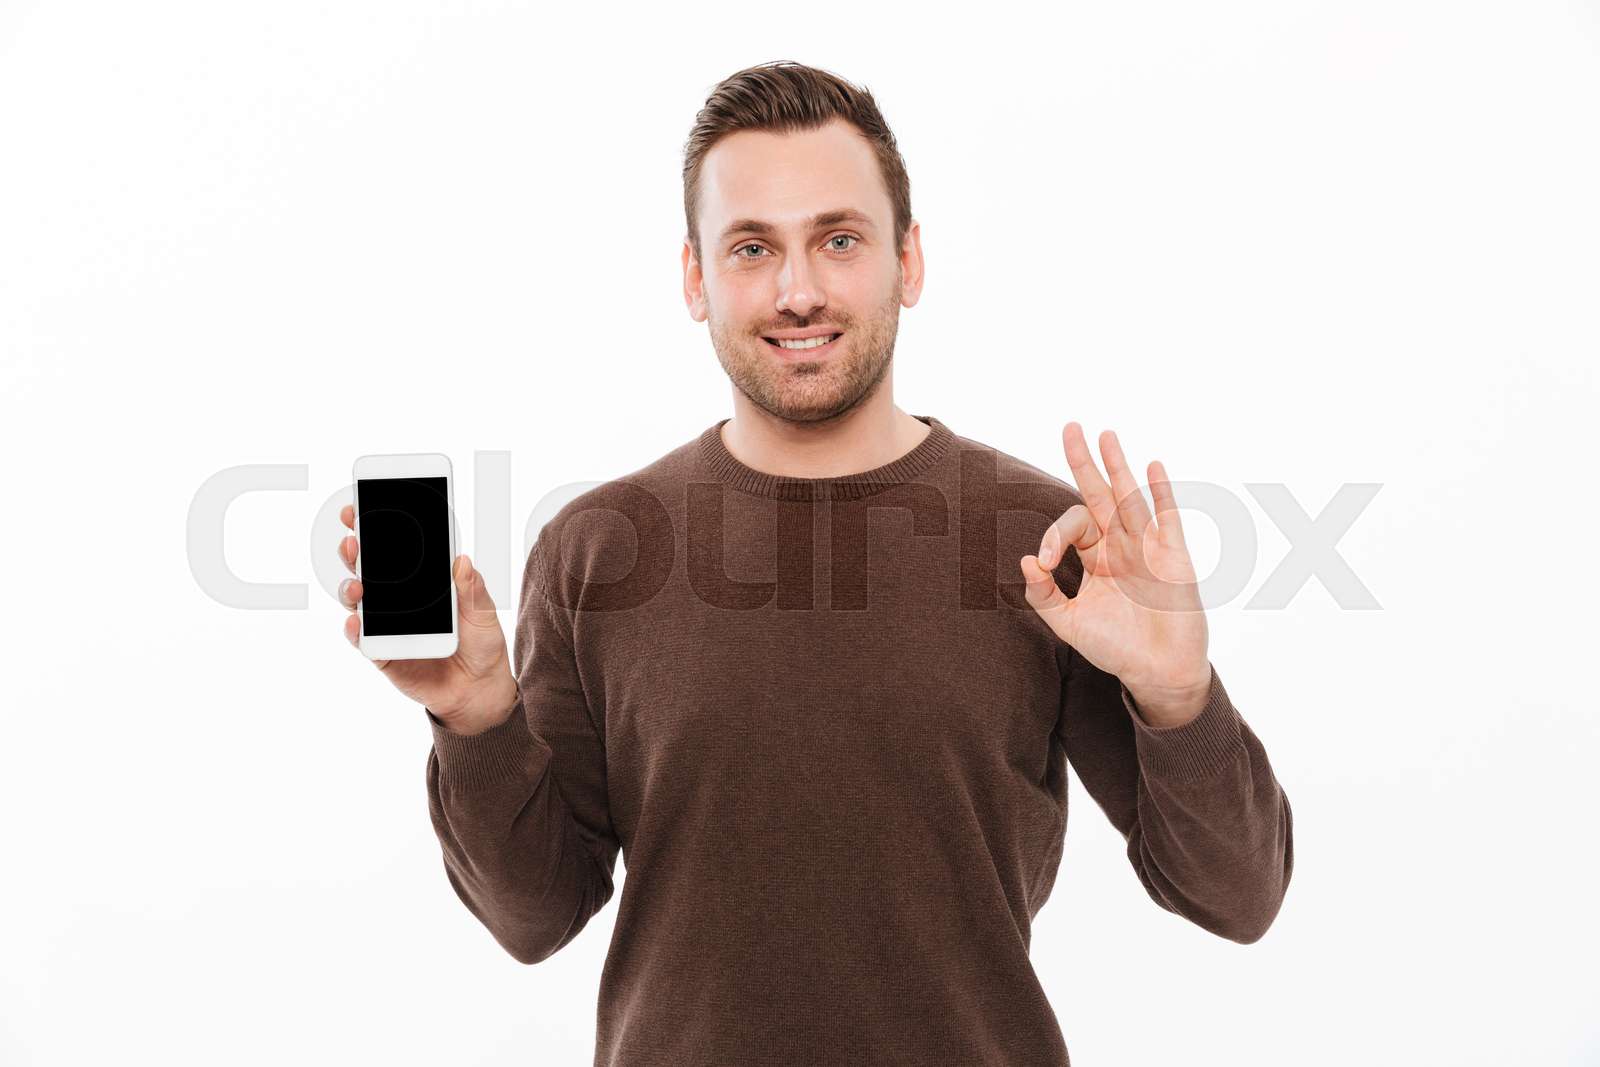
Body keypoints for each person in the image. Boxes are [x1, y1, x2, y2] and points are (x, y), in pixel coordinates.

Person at [336, 60, 1293, 1067]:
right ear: (695, 278)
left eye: (838, 239)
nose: (797, 292)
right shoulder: (596, 549)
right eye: (752, 247)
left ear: (908, 261)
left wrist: (1179, 696)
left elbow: (1235, 897)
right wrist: (479, 721)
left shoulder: (1047, 541)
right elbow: (535, 917)